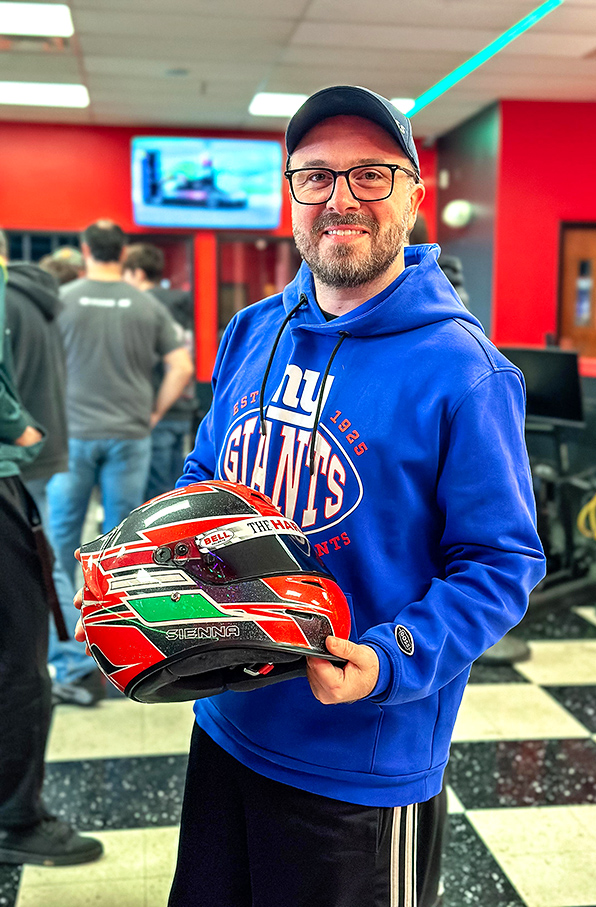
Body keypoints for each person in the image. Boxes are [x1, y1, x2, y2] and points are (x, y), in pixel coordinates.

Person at [77, 86, 545, 906]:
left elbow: (502, 562)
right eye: (316, 176)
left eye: (371, 175)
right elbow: (205, 480)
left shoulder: (466, 372)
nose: (341, 199)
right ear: (291, 191)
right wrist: (138, 575)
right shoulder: (252, 329)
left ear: (412, 194)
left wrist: (389, 658)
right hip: (227, 721)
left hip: (361, 759)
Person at [47, 220, 193, 677]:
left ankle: (71, 663)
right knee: (121, 553)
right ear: (123, 252)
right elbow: (182, 366)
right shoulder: (145, 305)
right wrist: (152, 412)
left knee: (59, 547)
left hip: (73, 436)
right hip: (131, 436)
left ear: (86, 249)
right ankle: (123, 658)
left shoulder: (62, 301)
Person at [0, 246, 103, 867]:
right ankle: (15, 817)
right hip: (26, 463)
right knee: (20, 657)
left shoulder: (20, 299)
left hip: (22, 469)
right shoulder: (38, 302)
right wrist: (22, 428)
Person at [122, 242, 197, 499]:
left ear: (138, 273)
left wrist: (153, 412)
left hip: (156, 409)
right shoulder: (183, 304)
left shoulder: (140, 307)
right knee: (175, 492)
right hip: (185, 406)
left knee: (152, 497)